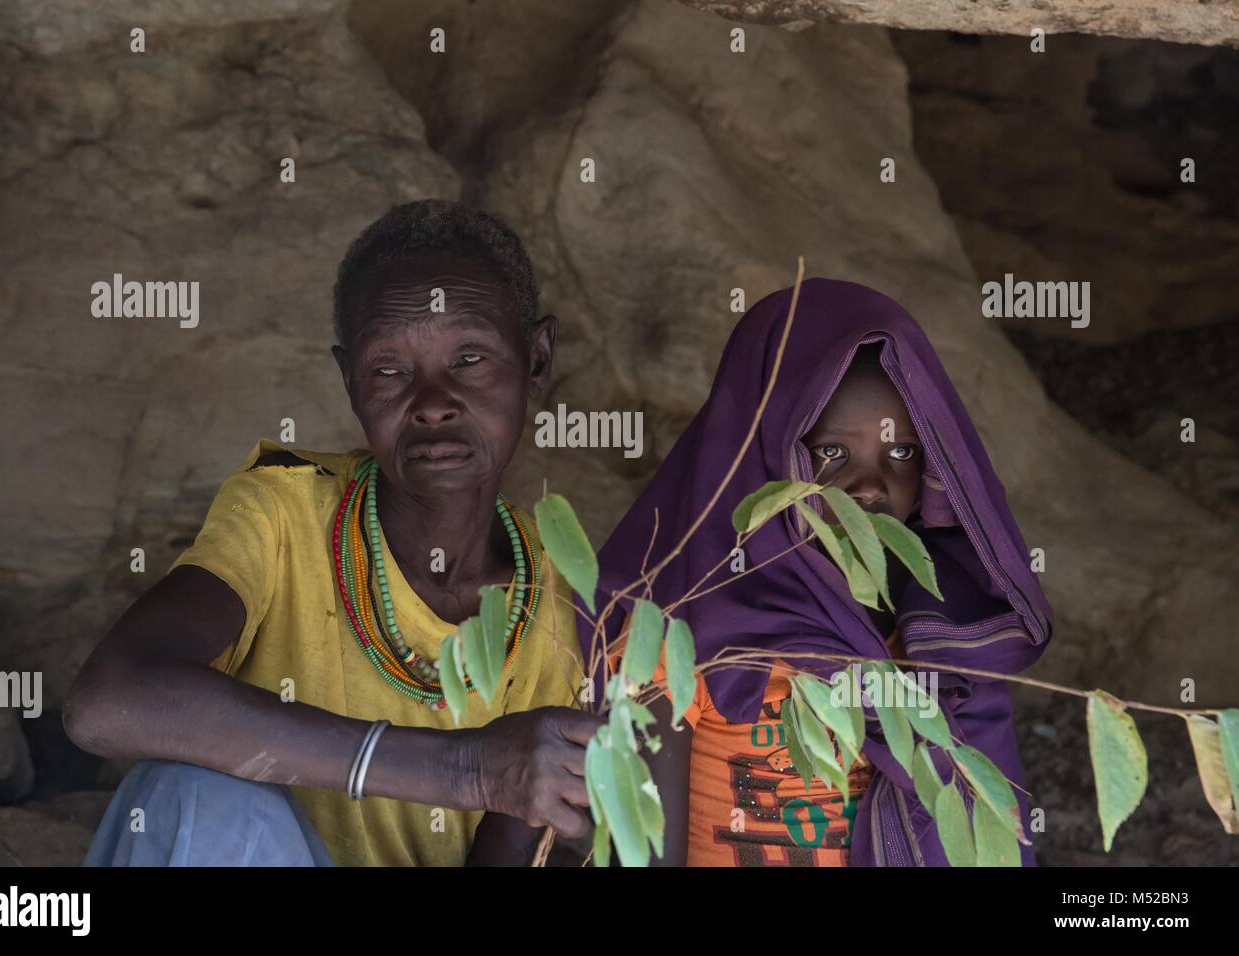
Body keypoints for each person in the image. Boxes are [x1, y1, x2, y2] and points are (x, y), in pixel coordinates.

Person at [65, 199, 598, 866]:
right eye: (388, 370)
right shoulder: (284, 513)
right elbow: (106, 701)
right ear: (350, 382)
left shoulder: (561, 605)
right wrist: (462, 769)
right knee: (198, 794)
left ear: (537, 359)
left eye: (469, 358)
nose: (433, 403)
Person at [579, 278, 1053, 866]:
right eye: (830, 452)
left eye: (901, 452)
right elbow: (644, 853)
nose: (870, 487)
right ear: (758, 456)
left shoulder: (946, 634)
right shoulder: (677, 628)